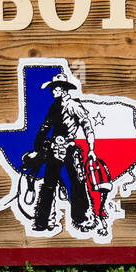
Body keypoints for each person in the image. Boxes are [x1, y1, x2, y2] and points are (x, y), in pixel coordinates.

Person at [21, 73, 97, 234]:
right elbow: (45, 126)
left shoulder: (74, 106)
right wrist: (37, 147)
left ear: (62, 90)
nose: (52, 92)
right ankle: (42, 221)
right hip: (55, 149)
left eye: (54, 89)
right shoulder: (55, 106)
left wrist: (91, 149)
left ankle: (83, 219)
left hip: (70, 148)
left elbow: (87, 126)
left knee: (77, 184)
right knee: (48, 185)